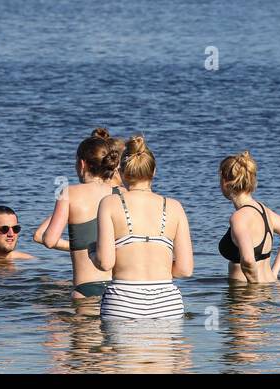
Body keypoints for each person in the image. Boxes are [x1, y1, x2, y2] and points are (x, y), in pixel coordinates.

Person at [92, 135, 192, 319]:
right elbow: (185, 270)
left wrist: (92, 254)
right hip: (167, 303)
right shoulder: (174, 206)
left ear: (120, 172)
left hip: (122, 302)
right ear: (154, 172)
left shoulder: (110, 204)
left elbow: (105, 262)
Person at [35, 128, 126, 298]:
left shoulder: (68, 192)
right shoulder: (121, 193)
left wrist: (80, 245)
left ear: (82, 164)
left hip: (85, 289)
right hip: (118, 289)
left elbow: (48, 240)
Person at [217, 151, 280, 282]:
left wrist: (254, 288)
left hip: (246, 296)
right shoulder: (263, 210)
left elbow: (248, 260)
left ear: (224, 181)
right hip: (267, 287)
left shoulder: (239, 217)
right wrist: (274, 272)